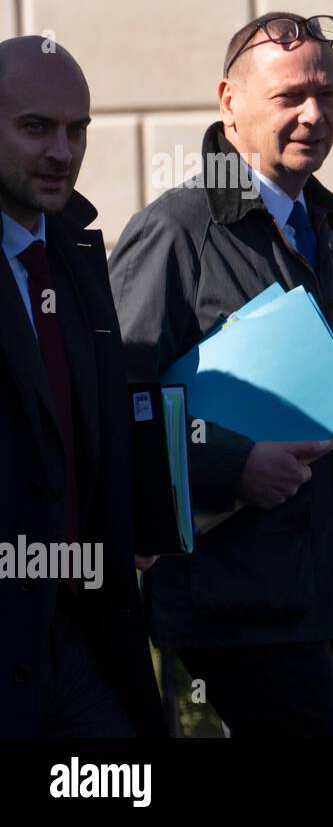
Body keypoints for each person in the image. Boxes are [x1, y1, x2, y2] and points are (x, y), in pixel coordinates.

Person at [108, 12, 333, 737]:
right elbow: (113, 406)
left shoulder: (324, 226)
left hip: (321, 602)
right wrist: (233, 463)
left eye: (329, 93)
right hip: (231, 611)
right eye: (290, 98)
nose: (315, 114)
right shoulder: (178, 229)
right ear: (230, 102)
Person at [0, 36, 165, 737]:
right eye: (36, 127)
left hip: (83, 628)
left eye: (77, 130)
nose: (62, 152)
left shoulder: (75, 251)